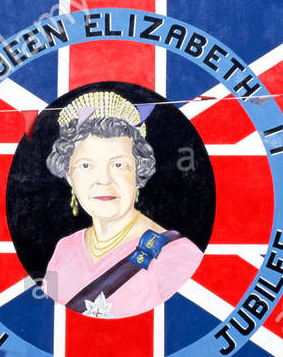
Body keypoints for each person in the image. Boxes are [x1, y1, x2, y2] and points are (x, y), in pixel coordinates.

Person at [41, 90, 203, 318]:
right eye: (86, 166)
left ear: (138, 173)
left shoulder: (177, 256)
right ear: (70, 177)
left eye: (118, 165)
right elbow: (49, 324)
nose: (104, 179)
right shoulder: (65, 248)